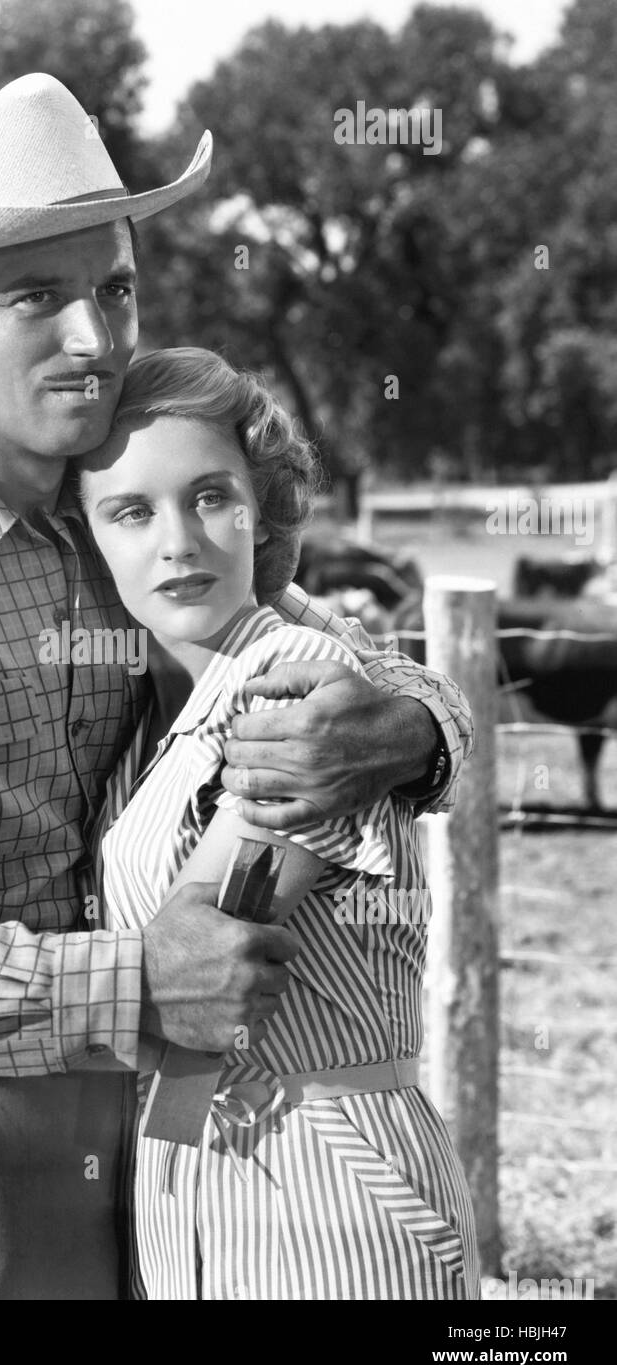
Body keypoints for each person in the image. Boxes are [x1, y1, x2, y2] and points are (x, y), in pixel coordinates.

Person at [0, 73, 472, 1301]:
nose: (96, 339)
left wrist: (418, 726)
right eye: (36, 299)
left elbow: (326, 660)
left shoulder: (122, 511)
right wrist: (131, 984)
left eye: (114, 288)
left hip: (159, 1155)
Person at [79, 346, 479, 1300]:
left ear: (260, 509)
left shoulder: (295, 679)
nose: (177, 541)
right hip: (199, 1178)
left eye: (211, 497)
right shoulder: (165, 695)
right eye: (131, 512)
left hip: (327, 1177)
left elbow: (201, 947)